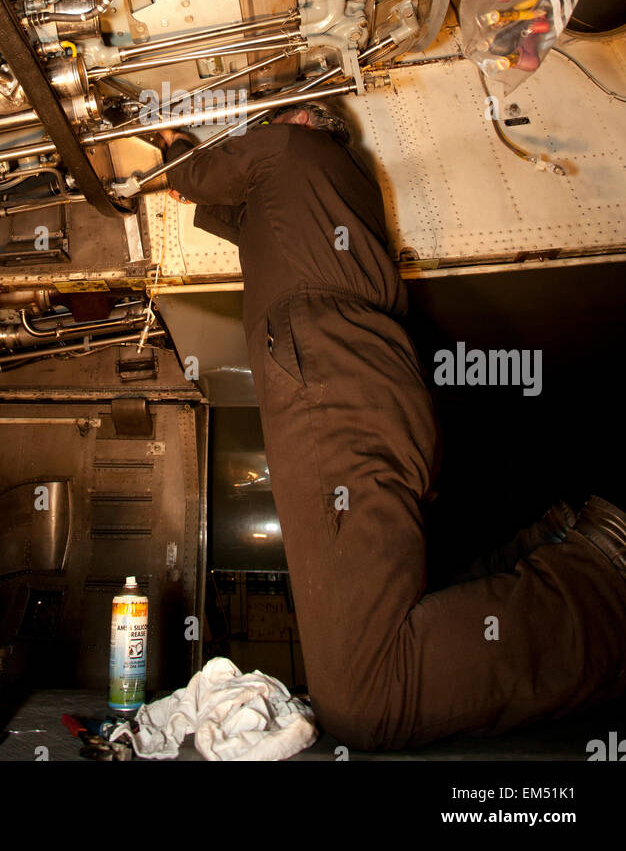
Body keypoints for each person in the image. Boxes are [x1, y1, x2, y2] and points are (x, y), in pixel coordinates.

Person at [157, 102, 626, 751]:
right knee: (371, 683)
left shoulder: (287, 153)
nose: (258, 128)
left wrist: (169, 139)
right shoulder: (318, 176)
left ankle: (595, 576)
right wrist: (183, 164)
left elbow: (193, 171)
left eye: (269, 119)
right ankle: (588, 567)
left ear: (306, 118)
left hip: (344, 379)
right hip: (353, 380)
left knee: (367, 695)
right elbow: (216, 197)